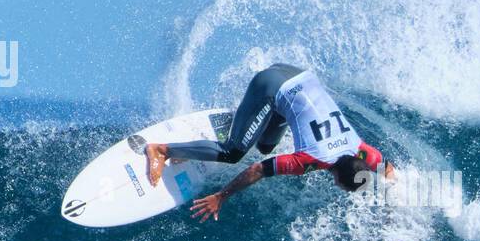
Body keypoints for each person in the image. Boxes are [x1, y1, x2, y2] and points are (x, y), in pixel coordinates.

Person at [145, 63, 394, 221]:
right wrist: (221, 196)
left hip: (297, 74)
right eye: (343, 186)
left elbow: (388, 167)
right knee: (233, 153)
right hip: (271, 86)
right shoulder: (312, 160)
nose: (340, 188)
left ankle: (246, 123)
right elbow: (258, 169)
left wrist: (391, 200)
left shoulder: (361, 150)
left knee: (265, 147)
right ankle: (162, 150)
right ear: (338, 177)